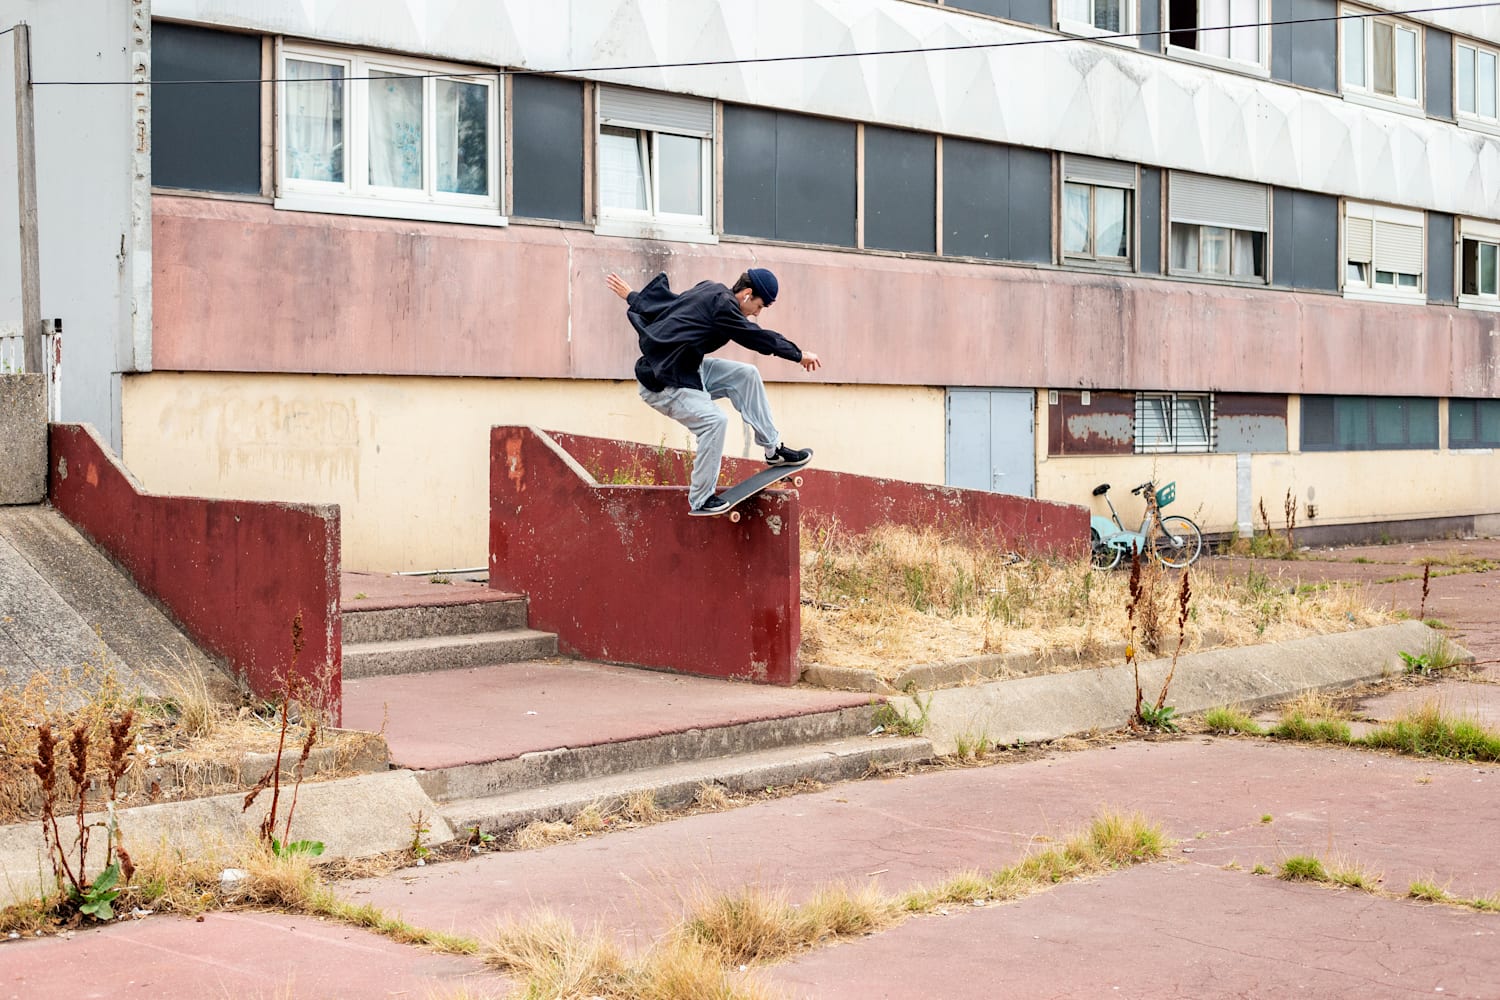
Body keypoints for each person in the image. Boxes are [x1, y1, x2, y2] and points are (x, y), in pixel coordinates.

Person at [605, 267, 822, 516]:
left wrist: (632, 296)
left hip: (688, 369)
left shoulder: (710, 288)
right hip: (664, 383)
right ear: (747, 294)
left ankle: (773, 451)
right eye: (759, 307)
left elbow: (671, 306)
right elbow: (757, 338)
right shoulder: (724, 308)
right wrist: (798, 354)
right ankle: (701, 498)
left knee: (746, 375)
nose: (756, 314)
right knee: (715, 422)